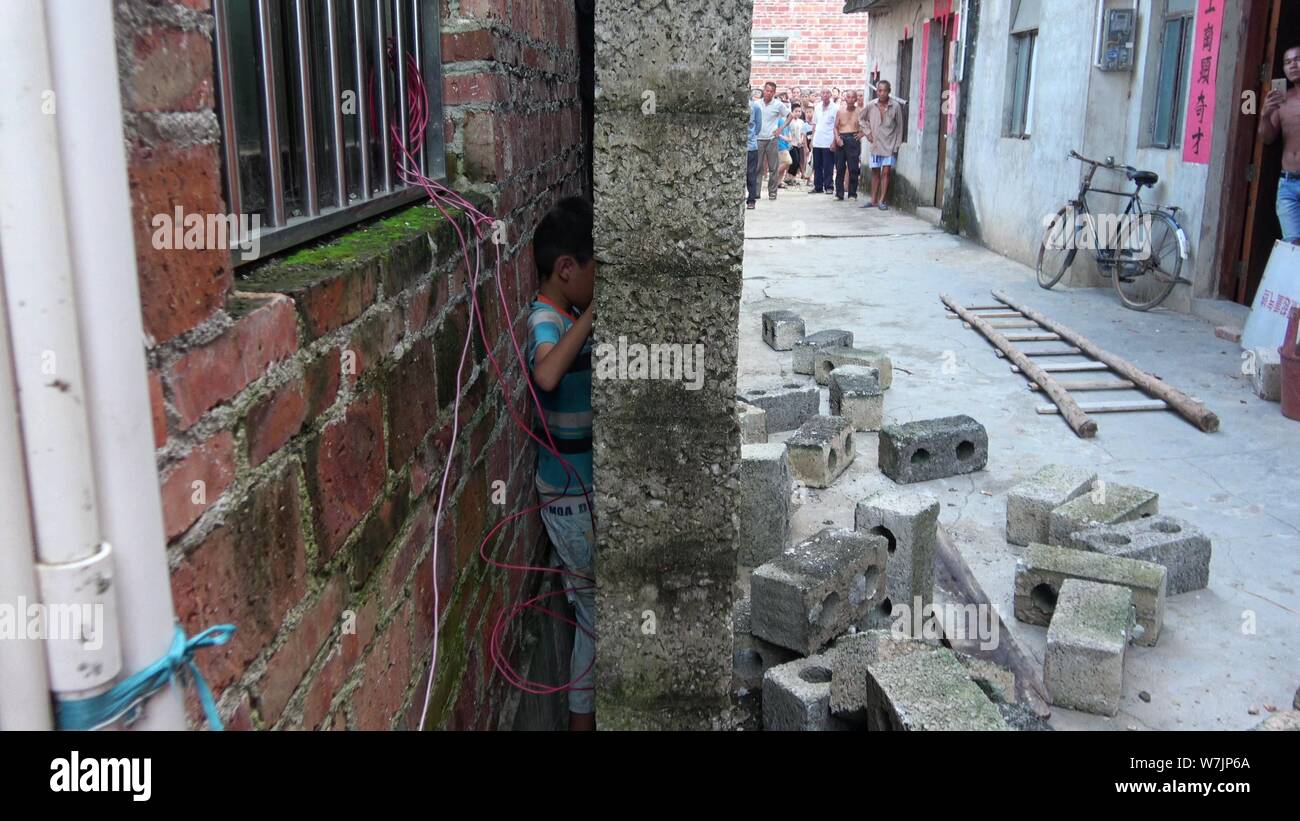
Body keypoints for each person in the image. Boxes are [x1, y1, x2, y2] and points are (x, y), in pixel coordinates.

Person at [528, 197, 597, 731]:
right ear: (567, 269)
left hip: (581, 491)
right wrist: (592, 316)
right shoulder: (546, 319)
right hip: (568, 499)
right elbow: (547, 374)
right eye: (593, 275)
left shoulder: (567, 313)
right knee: (592, 625)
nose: (596, 287)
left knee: (595, 615)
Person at [1262, 45, 1300, 243]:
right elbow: (1268, 138)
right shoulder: (1281, 97)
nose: (1293, 65)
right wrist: (1265, 114)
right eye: (1287, 62)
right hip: (1288, 183)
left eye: (1297, 59)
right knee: (1293, 245)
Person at [861, 79, 904, 210]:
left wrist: (897, 145)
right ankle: (873, 199)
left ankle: (882, 200)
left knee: (886, 172)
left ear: (889, 92)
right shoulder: (871, 105)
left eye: (885, 90)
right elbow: (861, 119)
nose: (882, 93)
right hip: (875, 145)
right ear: (877, 91)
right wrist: (867, 132)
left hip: (890, 144)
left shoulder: (895, 106)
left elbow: (900, 127)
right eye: (880, 90)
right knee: (875, 172)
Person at [756, 81, 790, 200]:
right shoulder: (757, 104)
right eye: (767, 90)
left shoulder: (778, 104)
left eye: (771, 91)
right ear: (764, 90)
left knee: (773, 167)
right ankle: (756, 192)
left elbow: (789, 115)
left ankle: (772, 192)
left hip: (772, 139)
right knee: (758, 167)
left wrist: (781, 128)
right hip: (759, 138)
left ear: (774, 93)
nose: (768, 93)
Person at [834, 90, 863, 201]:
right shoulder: (840, 111)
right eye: (848, 97)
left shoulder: (860, 112)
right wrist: (837, 138)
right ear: (845, 99)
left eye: (853, 97)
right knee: (840, 168)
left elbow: (867, 125)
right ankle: (839, 194)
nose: (850, 99)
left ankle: (852, 194)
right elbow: (835, 127)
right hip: (841, 138)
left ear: (856, 99)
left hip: (853, 139)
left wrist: (861, 134)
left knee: (853, 168)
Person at [810, 89, 837, 194]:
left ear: (830, 95)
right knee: (817, 166)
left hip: (828, 140)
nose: (825, 95)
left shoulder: (835, 108)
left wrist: (834, 141)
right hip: (818, 140)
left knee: (828, 166)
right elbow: (814, 124)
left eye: (827, 93)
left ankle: (829, 186)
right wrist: (812, 139)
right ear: (821, 95)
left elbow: (836, 126)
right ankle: (818, 186)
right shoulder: (817, 107)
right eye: (823, 93)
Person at [746, 95, 762, 209]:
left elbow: (758, 126)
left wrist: (752, 136)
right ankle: (750, 200)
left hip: (751, 145)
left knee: (751, 173)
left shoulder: (755, 106)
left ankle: (751, 199)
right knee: (750, 173)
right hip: (749, 145)